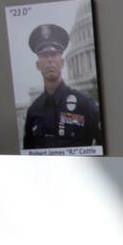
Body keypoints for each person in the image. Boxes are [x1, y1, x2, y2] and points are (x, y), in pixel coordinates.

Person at [21, 23, 102, 151]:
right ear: (38, 65)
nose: (49, 60)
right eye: (44, 55)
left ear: (62, 62)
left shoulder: (84, 104)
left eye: (54, 54)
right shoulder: (33, 111)